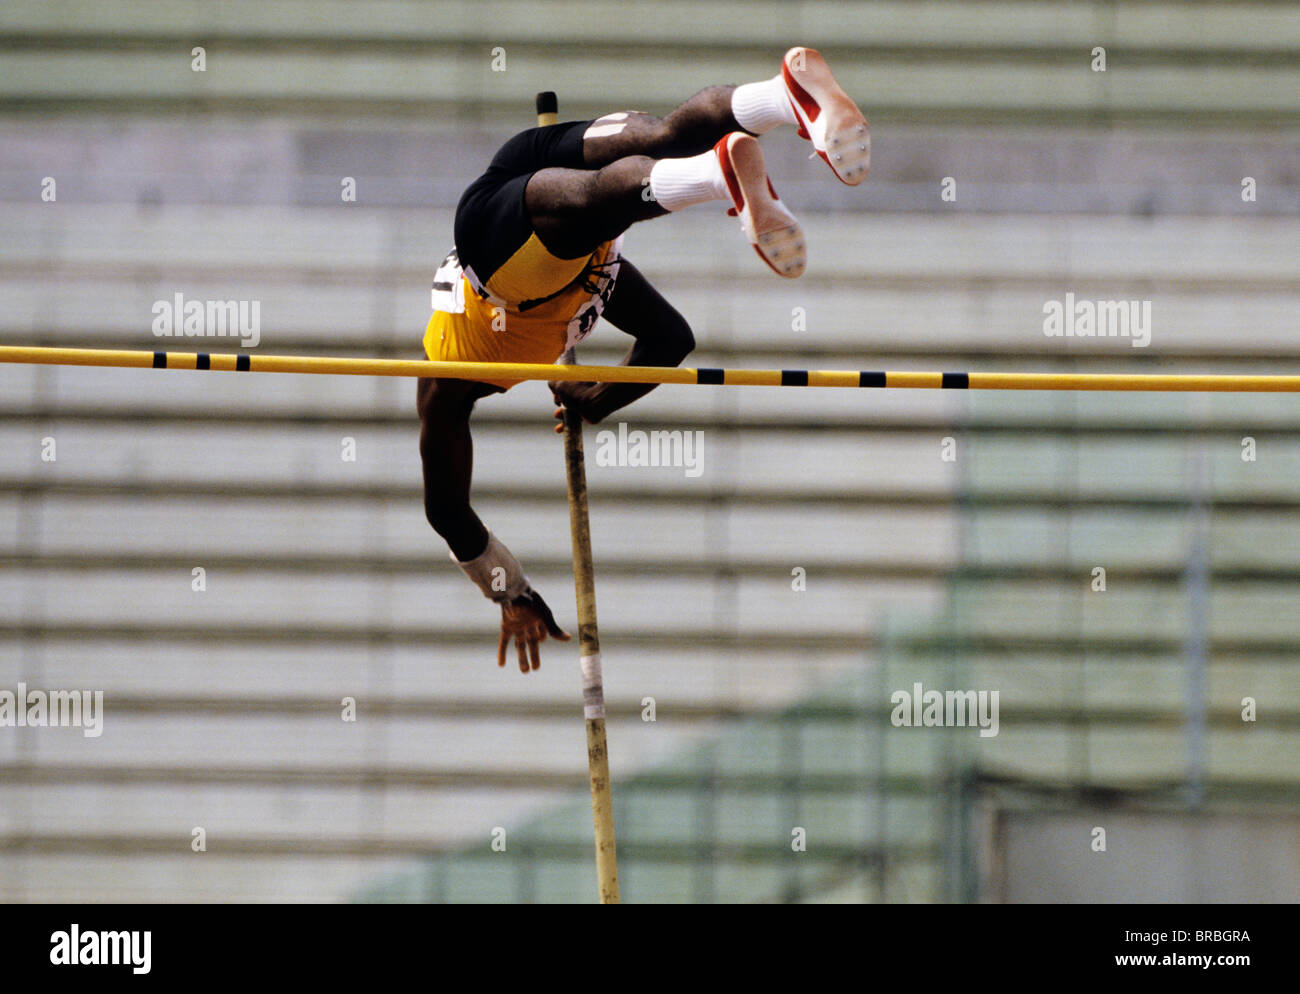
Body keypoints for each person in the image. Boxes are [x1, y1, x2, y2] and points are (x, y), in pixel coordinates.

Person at [417, 46, 869, 674]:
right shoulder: (600, 282)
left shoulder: (447, 381)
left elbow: (445, 511)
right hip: (525, 173)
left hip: (494, 253)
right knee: (659, 139)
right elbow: (670, 339)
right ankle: (780, 96)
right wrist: (596, 400)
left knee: (604, 199)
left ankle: (717, 178)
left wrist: (509, 590)